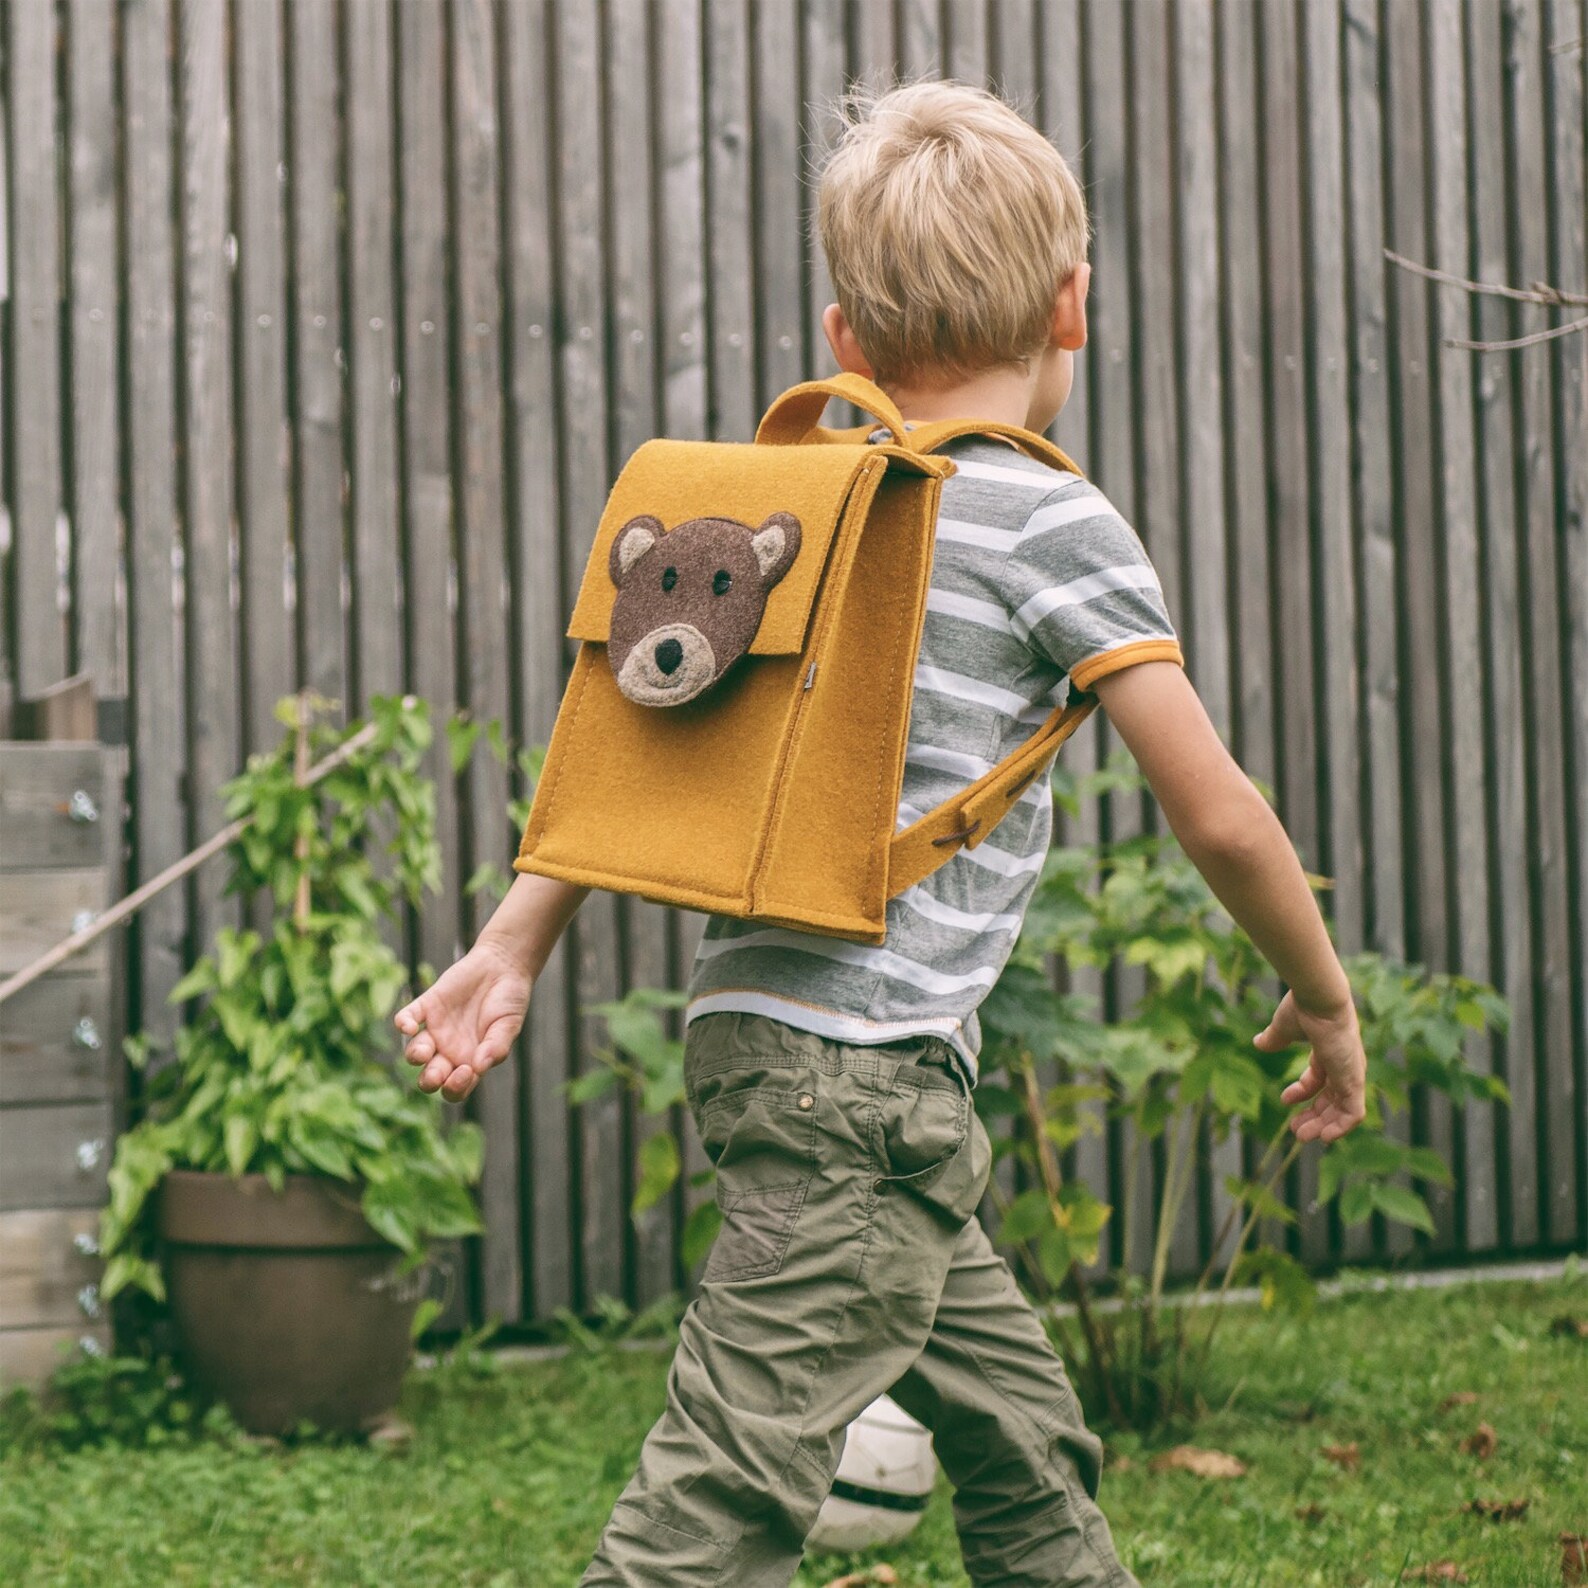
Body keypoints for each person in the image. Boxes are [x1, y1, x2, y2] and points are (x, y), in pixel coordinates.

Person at [395, 78, 1367, 1588]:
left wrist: (509, 946)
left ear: (845, 340)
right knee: (714, 1509)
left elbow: (654, 758)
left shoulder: (796, 508)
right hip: (867, 1087)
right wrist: (1322, 995)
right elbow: (1222, 815)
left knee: (1025, 1440)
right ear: (1074, 306)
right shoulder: (1054, 523)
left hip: (781, 1050)